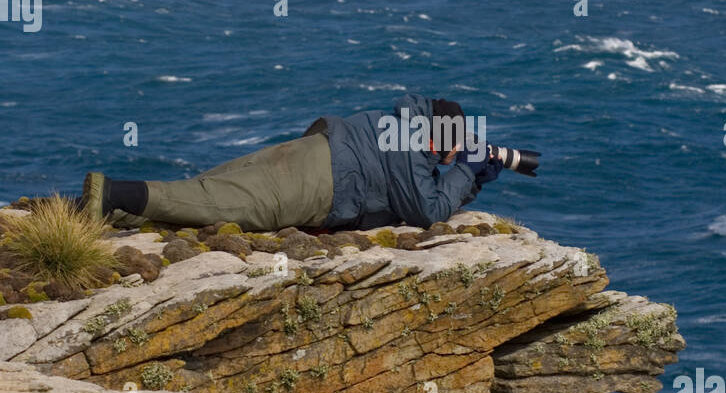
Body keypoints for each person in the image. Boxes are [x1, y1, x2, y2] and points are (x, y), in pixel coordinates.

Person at [81, 92, 503, 233]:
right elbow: (427, 211)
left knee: (209, 190)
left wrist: (468, 175)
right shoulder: (412, 149)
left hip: (308, 151)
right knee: (221, 206)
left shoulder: (398, 122)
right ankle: (112, 192)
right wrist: (468, 171)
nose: (456, 151)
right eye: (454, 143)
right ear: (438, 136)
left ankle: (116, 214)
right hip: (317, 185)